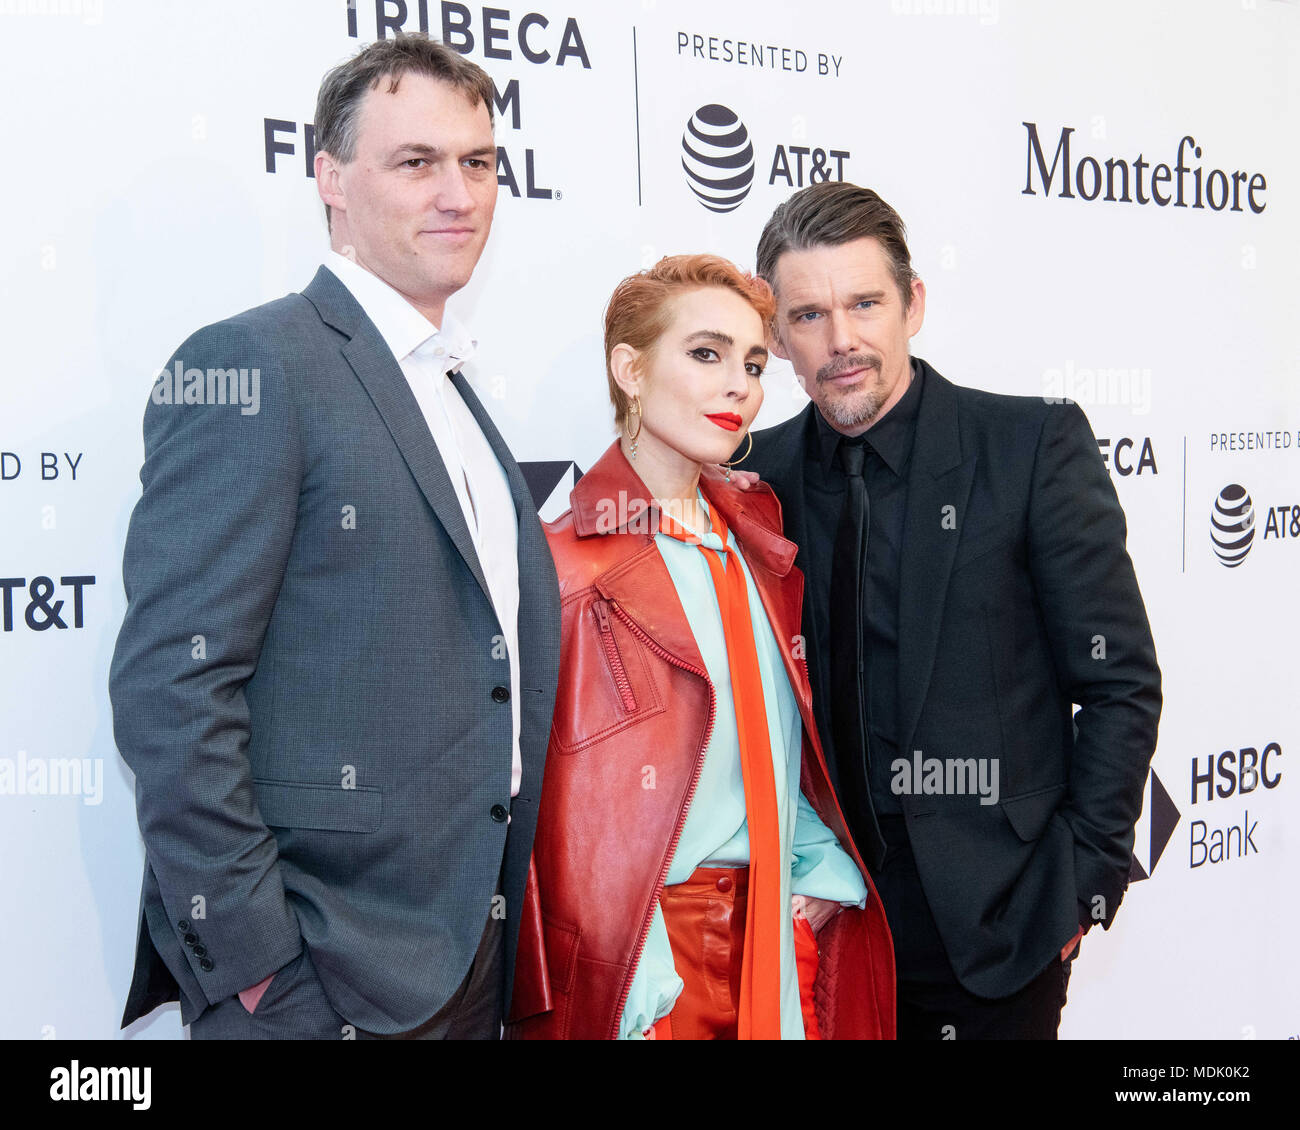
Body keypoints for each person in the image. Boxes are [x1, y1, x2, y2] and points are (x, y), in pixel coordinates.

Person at [110, 34, 560, 1039]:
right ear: (330, 178)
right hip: (318, 977)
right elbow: (172, 690)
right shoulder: (257, 364)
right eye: (417, 162)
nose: (460, 193)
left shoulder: (450, 386)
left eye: (479, 163)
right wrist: (259, 970)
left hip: (468, 959)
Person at [733, 181, 1162, 1039]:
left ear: (913, 304)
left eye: (865, 303)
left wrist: (1080, 883)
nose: (842, 340)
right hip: (821, 914)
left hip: (997, 921)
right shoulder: (753, 473)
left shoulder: (1028, 446)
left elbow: (1119, 686)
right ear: (776, 337)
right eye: (809, 316)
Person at [505, 255, 896, 1040]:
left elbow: (786, 751)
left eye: (753, 364)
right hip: (649, 980)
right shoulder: (560, 567)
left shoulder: (760, 544)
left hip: (779, 955)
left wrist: (820, 872)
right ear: (630, 370)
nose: (740, 386)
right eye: (707, 354)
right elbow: (548, 818)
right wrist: (638, 979)